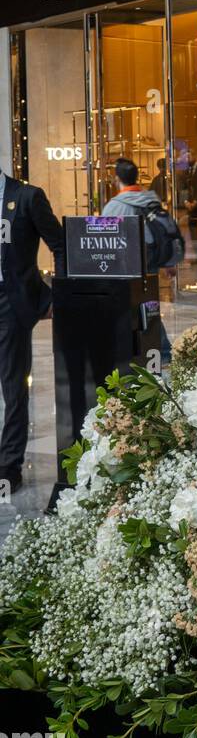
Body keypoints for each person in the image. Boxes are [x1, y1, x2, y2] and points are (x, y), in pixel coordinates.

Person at [0, 166, 64, 493]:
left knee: (13, 384)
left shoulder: (26, 197)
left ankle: (8, 465)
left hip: (10, 302)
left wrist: (58, 294)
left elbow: (60, 244)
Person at [101, 158, 183, 367]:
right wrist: (168, 262)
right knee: (149, 306)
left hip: (126, 265)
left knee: (126, 308)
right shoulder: (150, 199)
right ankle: (162, 352)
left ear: (117, 178)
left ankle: (130, 352)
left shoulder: (114, 207)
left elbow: (104, 241)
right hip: (150, 261)